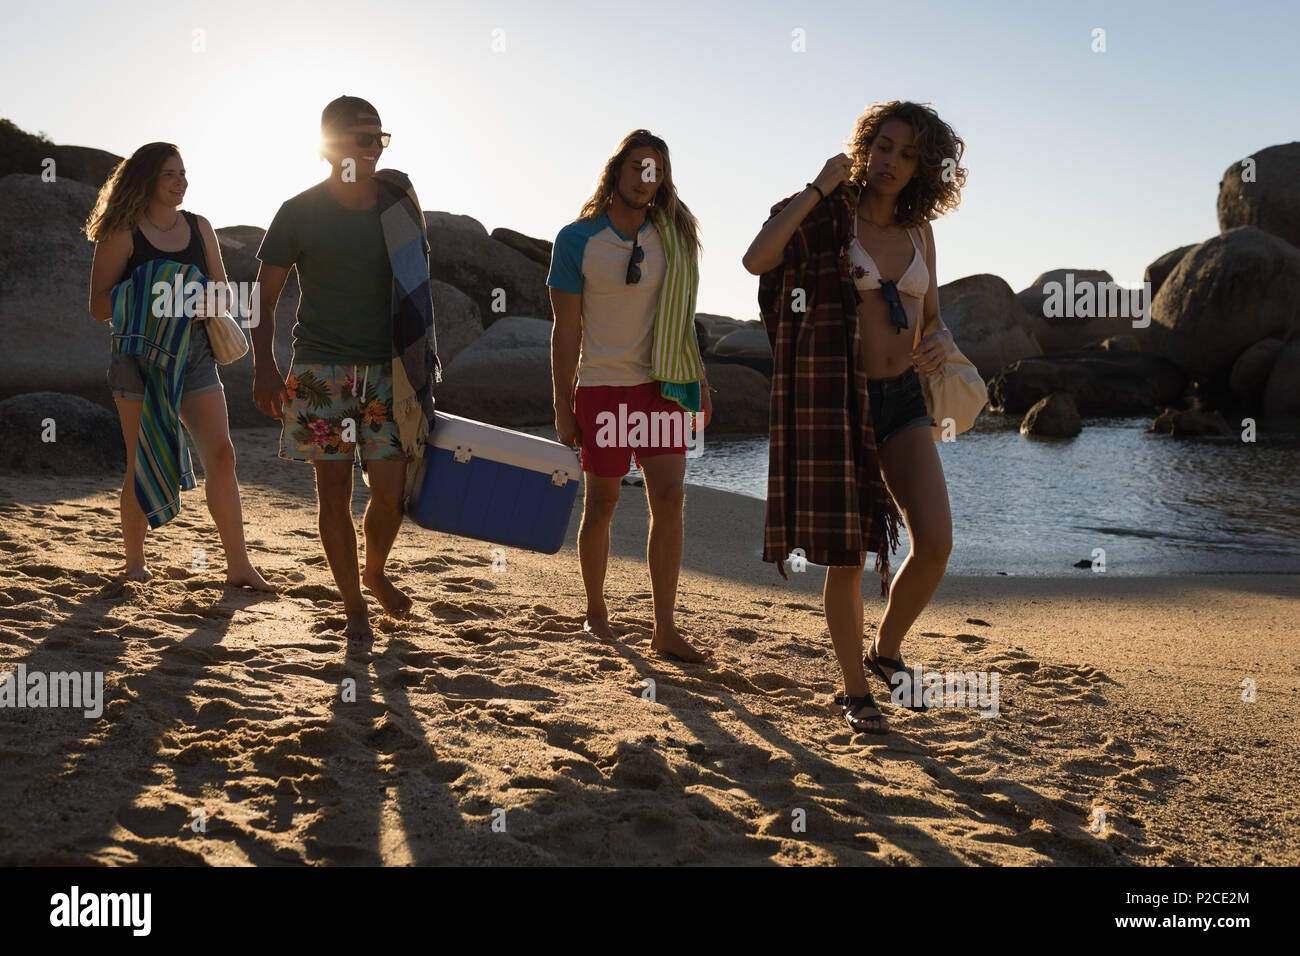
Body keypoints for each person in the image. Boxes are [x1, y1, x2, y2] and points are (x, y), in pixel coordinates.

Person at [742, 101, 968, 733]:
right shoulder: (829, 217)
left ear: (924, 167)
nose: (892, 161)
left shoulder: (921, 232)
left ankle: (886, 650)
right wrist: (819, 186)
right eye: (884, 146)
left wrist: (941, 342)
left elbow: (935, 316)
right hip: (840, 402)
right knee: (847, 556)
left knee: (936, 544)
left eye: (908, 154)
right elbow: (758, 259)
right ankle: (854, 690)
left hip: (904, 400)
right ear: (865, 147)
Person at [252, 96, 438, 643]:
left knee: (392, 491)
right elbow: (264, 297)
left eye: (380, 140)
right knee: (331, 495)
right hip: (319, 370)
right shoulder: (299, 211)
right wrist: (264, 367)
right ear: (332, 145)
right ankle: (354, 603)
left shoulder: (395, 204)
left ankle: (374, 571)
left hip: (388, 370)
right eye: (362, 140)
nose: (374, 151)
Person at [547, 130, 714, 663]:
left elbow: (682, 321)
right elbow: (565, 331)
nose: (647, 178)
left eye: (657, 170)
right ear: (617, 170)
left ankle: (664, 628)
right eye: (639, 166)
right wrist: (562, 403)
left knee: (670, 500)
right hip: (601, 389)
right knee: (603, 502)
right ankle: (596, 610)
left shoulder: (674, 238)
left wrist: (700, 383)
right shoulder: (576, 241)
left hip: (661, 387)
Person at [86, 142, 275, 591]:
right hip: (138, 358)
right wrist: (155, 289)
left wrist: (198, 298)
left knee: (223, 454)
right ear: (147, 178)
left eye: (184, 173)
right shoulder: (122, 231)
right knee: (140, 458)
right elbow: (97, 307)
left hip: (194, 354)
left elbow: (223, 292)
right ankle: (135, 562)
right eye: (170, 174)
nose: (181, 182)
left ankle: (239, 565)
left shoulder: (198, 226)